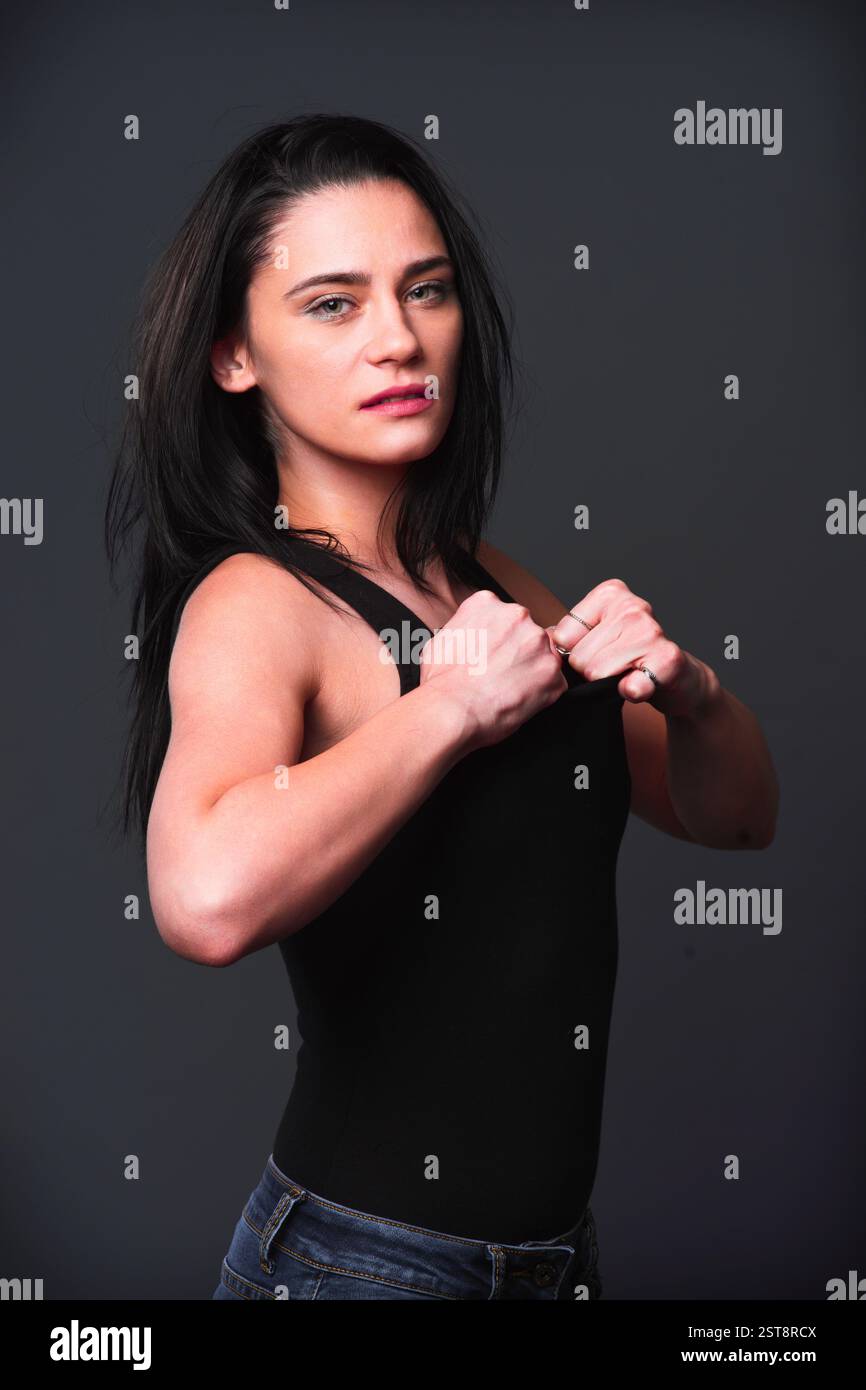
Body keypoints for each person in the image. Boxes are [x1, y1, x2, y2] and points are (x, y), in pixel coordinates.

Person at [105, 113, 779, 1301]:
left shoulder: (491, 579)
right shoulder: (257, 601)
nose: (398, 339)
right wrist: (449, 708)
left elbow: (732, 820)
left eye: (425, 291)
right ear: (232, 355)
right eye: (332, 304)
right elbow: (201, 900)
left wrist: (693, 693)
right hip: (358, 1267)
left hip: (548, 1265)